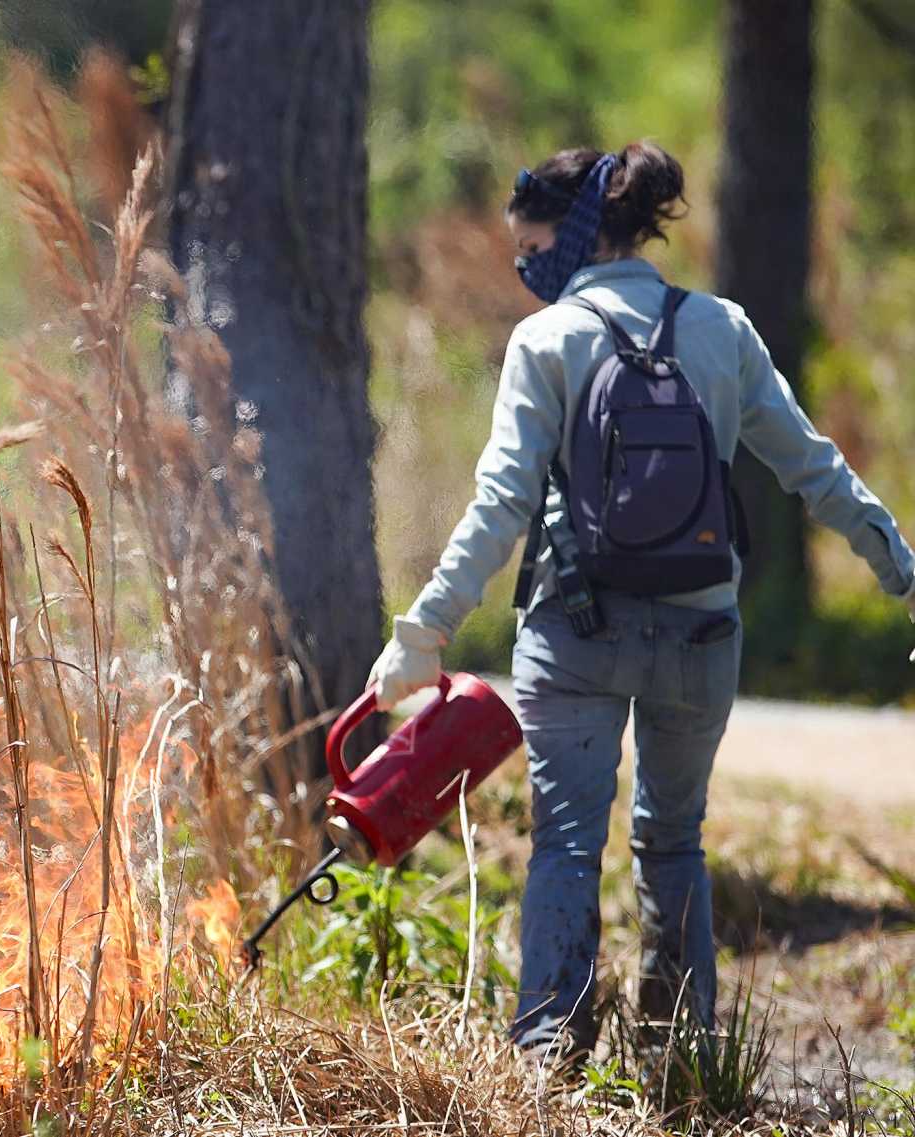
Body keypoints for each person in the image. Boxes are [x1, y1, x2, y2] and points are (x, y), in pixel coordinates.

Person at [366, 140, 915, 1060]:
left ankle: (547, 1058)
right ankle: (682, 1055)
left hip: (575, 632)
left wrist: (422, 634)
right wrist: (898, 564)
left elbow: (501, 505)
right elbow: (810, 467)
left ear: (577, 232)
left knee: (567, 842)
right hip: (703, 633)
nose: (523, 266)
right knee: (674, 839)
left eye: (530, 244)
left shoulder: (546, 340)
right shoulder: (722, 329)